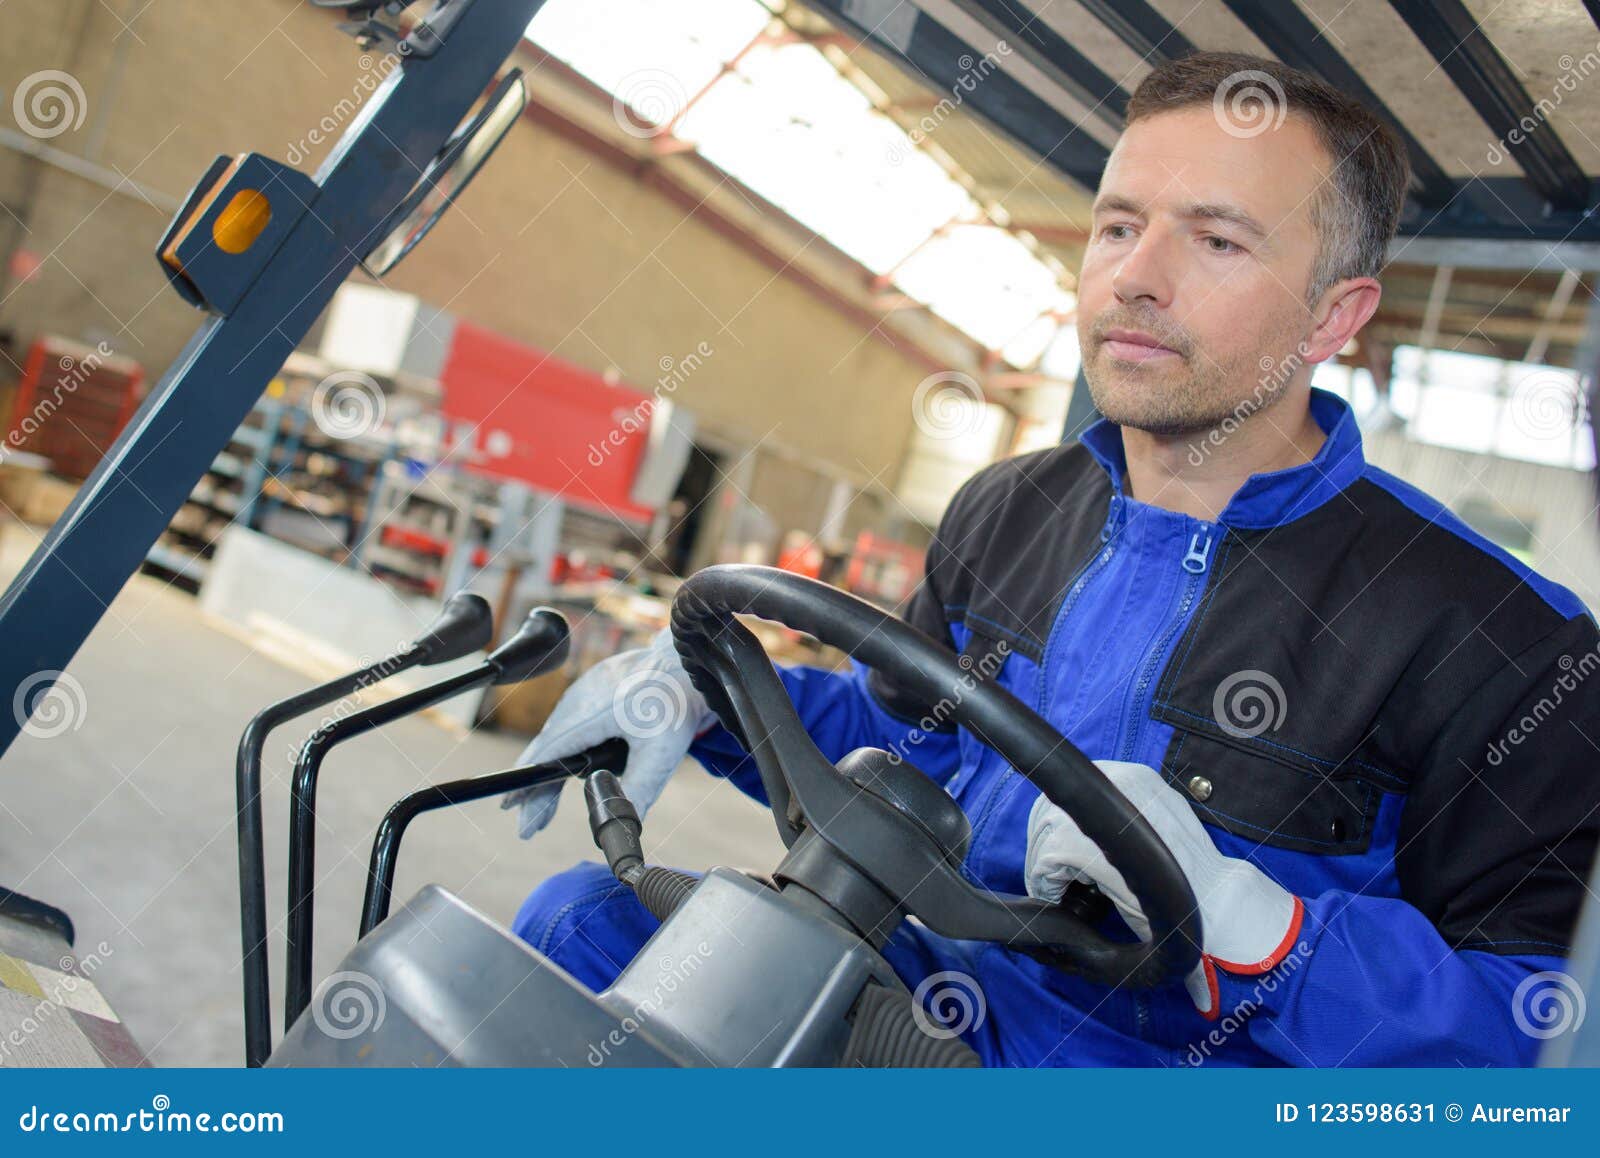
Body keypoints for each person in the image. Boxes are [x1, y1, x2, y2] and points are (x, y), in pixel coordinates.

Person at [501, 52, 1600, 1066]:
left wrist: (1263, 930)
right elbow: (907, 754)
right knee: (581, 928)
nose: (1137, 276)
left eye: (1216, 242)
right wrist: (707, 698)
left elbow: (1539, 1030)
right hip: (952, 1003)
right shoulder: (1009, 508)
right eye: (1118, 226)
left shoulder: (1503, 637)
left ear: (1333, 316)